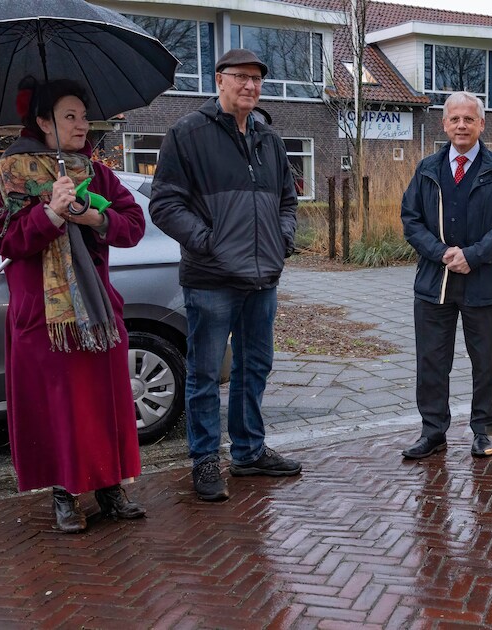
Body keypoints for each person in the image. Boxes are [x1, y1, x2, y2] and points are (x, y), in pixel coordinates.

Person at [0, 78, 148, 533]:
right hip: (45, 318)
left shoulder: (95, 172)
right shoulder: (12, 173)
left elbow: (133, 225)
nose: (82, 125)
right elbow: (7, 242)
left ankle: (110, 486)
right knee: (59, 408)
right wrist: (50, 213)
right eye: (69, 117)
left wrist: (93, 216)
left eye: (83, 116)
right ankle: (65, 492)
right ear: (43, 122)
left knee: (104, 403)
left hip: (97, 311)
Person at [150, 49, 302, 502]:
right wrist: (209, 242)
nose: (250, 86)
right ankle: (204, 459)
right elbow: (164, 204)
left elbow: (287, 201)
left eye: (257, 79)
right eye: (241, 77)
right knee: (203, 373)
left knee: (255, 366)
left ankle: (249, 451)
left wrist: (282, 239)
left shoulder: (269, 139)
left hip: (262, 278)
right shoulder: (188, 134)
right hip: (211, 279)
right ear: (219, 80)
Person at [400, 91, 492, 460]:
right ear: (444, 124)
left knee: (486, 363)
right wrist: (441, 253)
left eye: (469, 119)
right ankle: (432, 432)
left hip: (485, 281)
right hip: (434, 282)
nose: (461, 125)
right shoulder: (426, 169)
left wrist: (473, 255)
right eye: (454, 119)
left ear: (481, 124)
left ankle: (483, 431)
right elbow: (411, 220)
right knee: (431, 361)